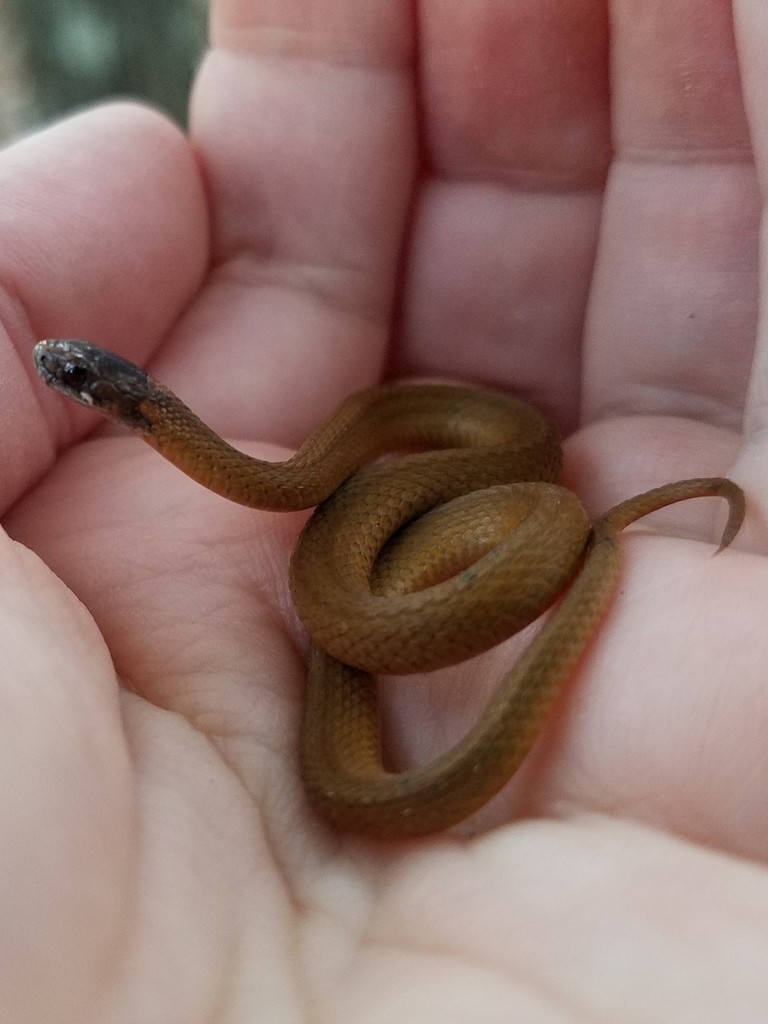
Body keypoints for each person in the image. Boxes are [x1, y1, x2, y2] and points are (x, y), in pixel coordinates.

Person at [1, 1, 766, 1019]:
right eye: (71, 375)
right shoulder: (298, 504)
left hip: (475, 509)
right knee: (359, 570)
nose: (64, 374)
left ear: (122, 399)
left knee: (427, 519)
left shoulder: (352, 476)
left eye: (78, 376)